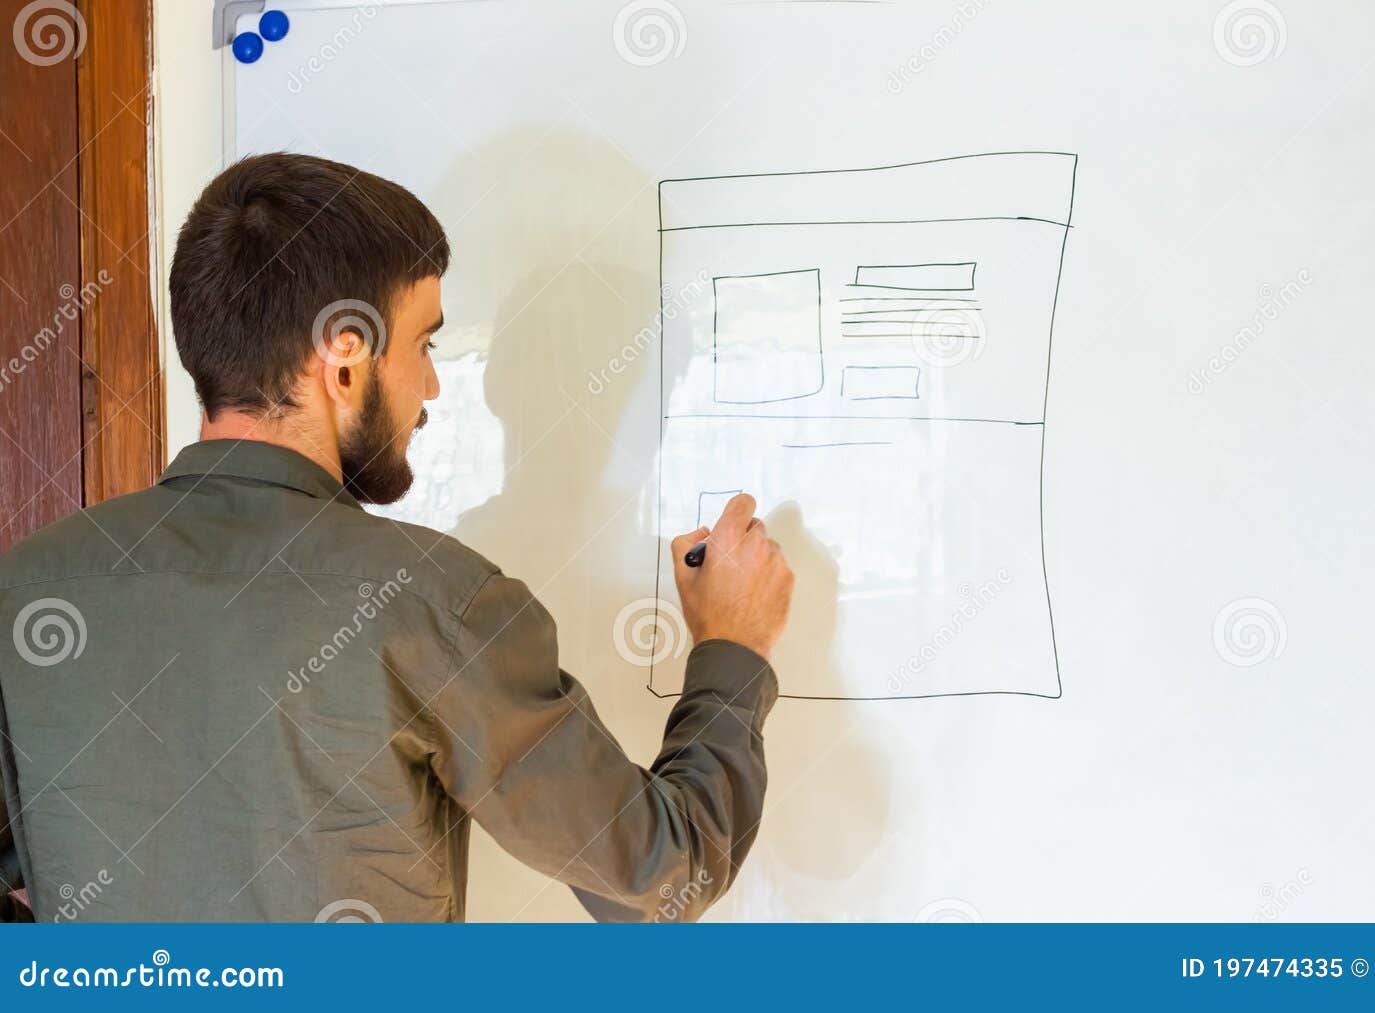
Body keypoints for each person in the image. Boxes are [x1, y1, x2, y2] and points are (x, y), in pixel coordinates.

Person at [0, 153, 793, 923]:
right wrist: (732, 649)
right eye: (425, 344)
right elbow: (661, 877)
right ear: (345, 359)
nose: (433, 386)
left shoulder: (24, 592)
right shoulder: (435, 604)